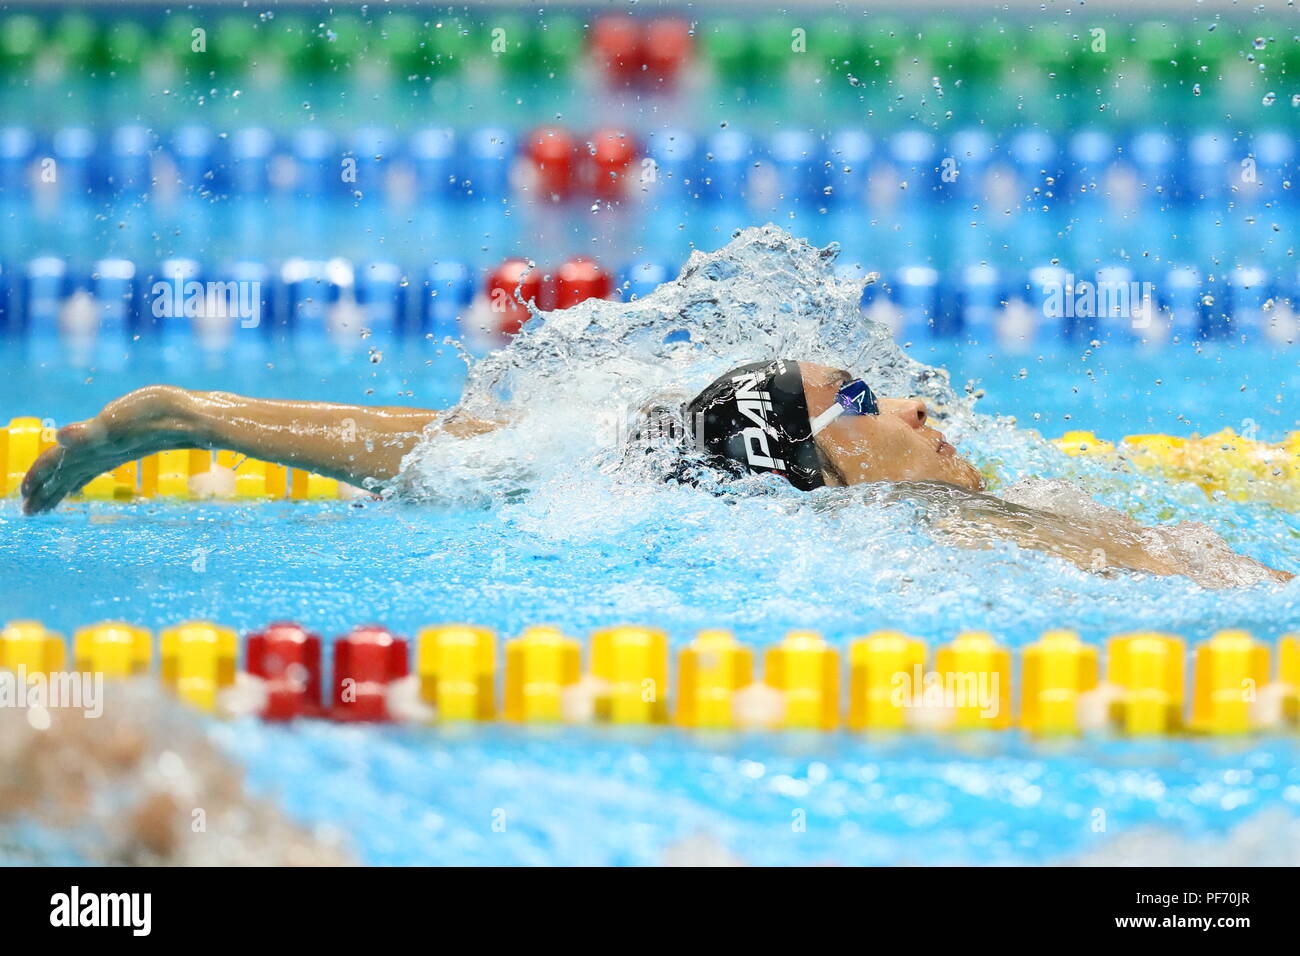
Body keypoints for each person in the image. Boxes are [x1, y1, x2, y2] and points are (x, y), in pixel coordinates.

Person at [19, 358, 1293, 586]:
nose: (913, 398)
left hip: (624, 457)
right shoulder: (897, 519)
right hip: (582, 472)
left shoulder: (854, 486)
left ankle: (187, 411)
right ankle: (184, 412)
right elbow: (1109, 551)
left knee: (448, 454)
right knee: (456, 465)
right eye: (864, 400)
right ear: (818, 464)